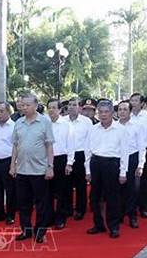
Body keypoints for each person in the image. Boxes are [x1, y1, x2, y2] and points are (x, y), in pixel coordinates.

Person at [9, 93, 55, 243]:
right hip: (22, 170)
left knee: (41, 203)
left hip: (39, 170)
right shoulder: (19, 122)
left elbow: (49, 146)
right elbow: (15, 146)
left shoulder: (44, 122)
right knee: (23, 203)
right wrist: (12, 165)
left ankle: (40, 231)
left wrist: (50, 167)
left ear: (36, 106)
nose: (25, 108)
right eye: (22, 105)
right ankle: (26, 230)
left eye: (28, 105)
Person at [85, 99, 128, 239]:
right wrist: (87, 170)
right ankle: (98, 225)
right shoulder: (93, 129)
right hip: (96, 162)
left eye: (106, 112)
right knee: (94, 197)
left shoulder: (121, 130)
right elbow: (87, 150)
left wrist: (123, 172)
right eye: (101, 112)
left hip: (112, 164)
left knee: (112, 197)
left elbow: (124, 152)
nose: (103, 115)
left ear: (112, 113)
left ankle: (114, 226)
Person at [63, 97, 93, 221]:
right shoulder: (63, 121)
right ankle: (68, 208)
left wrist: (88, 162)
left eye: (74, 105)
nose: (71, 107)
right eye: (69, 105)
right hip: (66, 155)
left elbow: (89, 142)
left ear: (80, 108)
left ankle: (80, 209)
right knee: (66, 184)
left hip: (81, 155)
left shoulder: (86, 122)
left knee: (81, 184)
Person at [117, 100, 145, 229]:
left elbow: (141, 147)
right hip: (117, 159)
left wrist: (140, 164)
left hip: (132, 158)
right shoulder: (114, 126)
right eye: (120, 109)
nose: (122, 112)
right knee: (118, 189)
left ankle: (132, 216)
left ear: (130, 111)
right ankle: (119, 214)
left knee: (132, 189)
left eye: (125, 109)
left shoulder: (137, 126)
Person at [46, 99, 74, 229]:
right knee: (47, 191)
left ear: (59, 109)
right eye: (49, 107)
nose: (51, 110)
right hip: (46, 160)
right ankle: (49, 217)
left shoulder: (66, 125)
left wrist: (69, 163)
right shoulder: (44, 124)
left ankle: (60, 218)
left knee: (61, 191)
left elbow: (71, 145)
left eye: (54, 107)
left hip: (61, 159)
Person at [130, 93, 147, 219]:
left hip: (143, 151)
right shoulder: (126, 115)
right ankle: (130, 207)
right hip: (129, 152)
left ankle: (144, 207)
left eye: (135, 100)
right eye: (131, 100)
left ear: (142, 103)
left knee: (144, 182)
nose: (133, 103)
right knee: (131, 182)